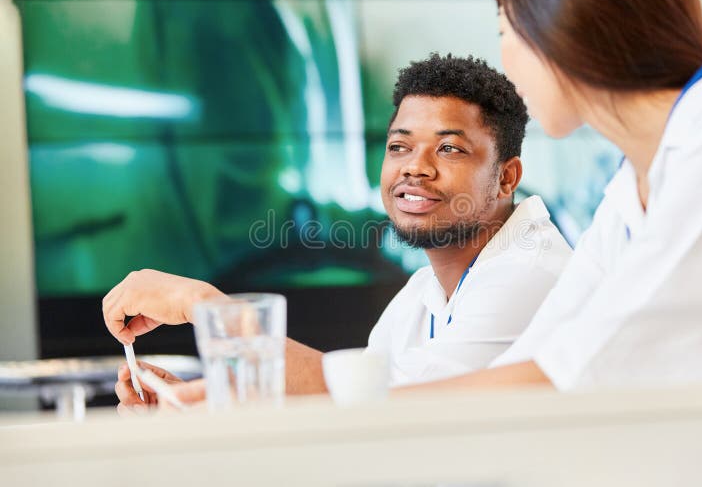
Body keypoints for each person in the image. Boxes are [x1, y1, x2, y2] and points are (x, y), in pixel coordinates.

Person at [402, 0, 702, 483]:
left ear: (566, 20)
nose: (505, 60)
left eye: (505, 29)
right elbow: (543, 355)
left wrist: (355, 421)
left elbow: (578, 384)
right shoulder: (632, 186)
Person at [106, 54, 573, 409]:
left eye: (449, 149)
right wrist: (191, 406)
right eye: (398, 146)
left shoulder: (527, 273)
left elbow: (393, 413)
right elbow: (347, 411)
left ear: (507, 178)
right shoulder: (424, 291)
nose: (414, 167)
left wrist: (199, 305)